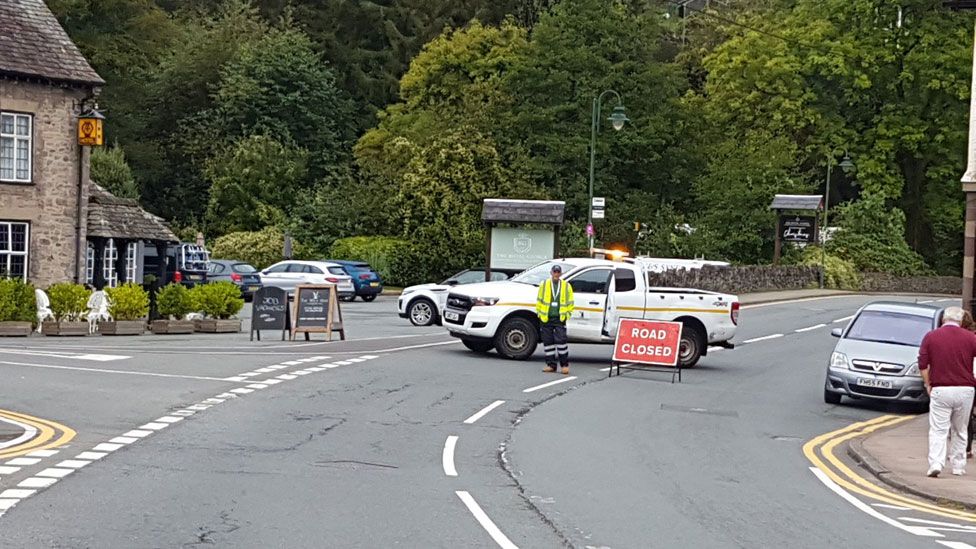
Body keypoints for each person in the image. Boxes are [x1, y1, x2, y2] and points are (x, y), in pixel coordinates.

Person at [918, 306, 976, 477]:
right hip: (965, 389)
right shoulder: (971, 338)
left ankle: (936, 463)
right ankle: (958, 465)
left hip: (940, 388)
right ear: (960, 320)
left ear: (944, 319)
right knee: (960, 429)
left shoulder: (931, 336)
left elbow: (922, 364)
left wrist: (928, 383)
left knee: (938, 429)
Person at [536, 264, 575, 374]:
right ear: (551, 272)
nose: (556, 274)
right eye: (555, 272)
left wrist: (567, 314)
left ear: (561, 273)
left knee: (561, 341)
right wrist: (539, 313)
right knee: (548, 342)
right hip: (546, 317)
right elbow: (539, 300)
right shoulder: (544, 284)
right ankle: (551, 365)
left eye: (558, 272)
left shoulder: (566, 286)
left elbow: (570, 302)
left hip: (559, 317)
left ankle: (564, 365)